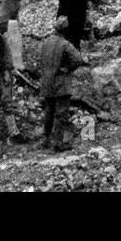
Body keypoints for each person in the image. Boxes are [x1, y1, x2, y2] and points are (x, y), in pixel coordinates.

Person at [39, 17, 87, 151]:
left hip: (47, 82)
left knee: (49, 111)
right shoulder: (65, 44)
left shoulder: (45, 43)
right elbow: (78, 59)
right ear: (65, 30)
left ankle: (45, 139)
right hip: (61, 83)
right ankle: (58, 143)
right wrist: (67, 68)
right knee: (61, 113)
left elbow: (40, 60)